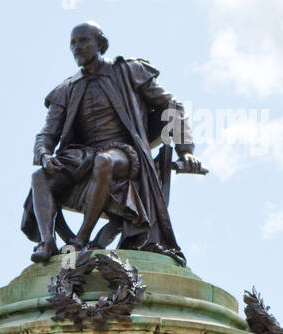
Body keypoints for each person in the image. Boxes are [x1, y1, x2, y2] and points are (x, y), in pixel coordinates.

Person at [21, 21, 203, 262]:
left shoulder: (128, 71)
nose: (77, 47)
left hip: (124, 153)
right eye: (73, 43)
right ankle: (47, 243)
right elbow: (47, 134)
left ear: (100, 44)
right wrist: (44, 155)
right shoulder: (65, 89)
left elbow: (172, 106)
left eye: (83, 41)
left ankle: (81, 240)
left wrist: (186, 151)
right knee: (39, 178)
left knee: (104, 161)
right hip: (82, 155)